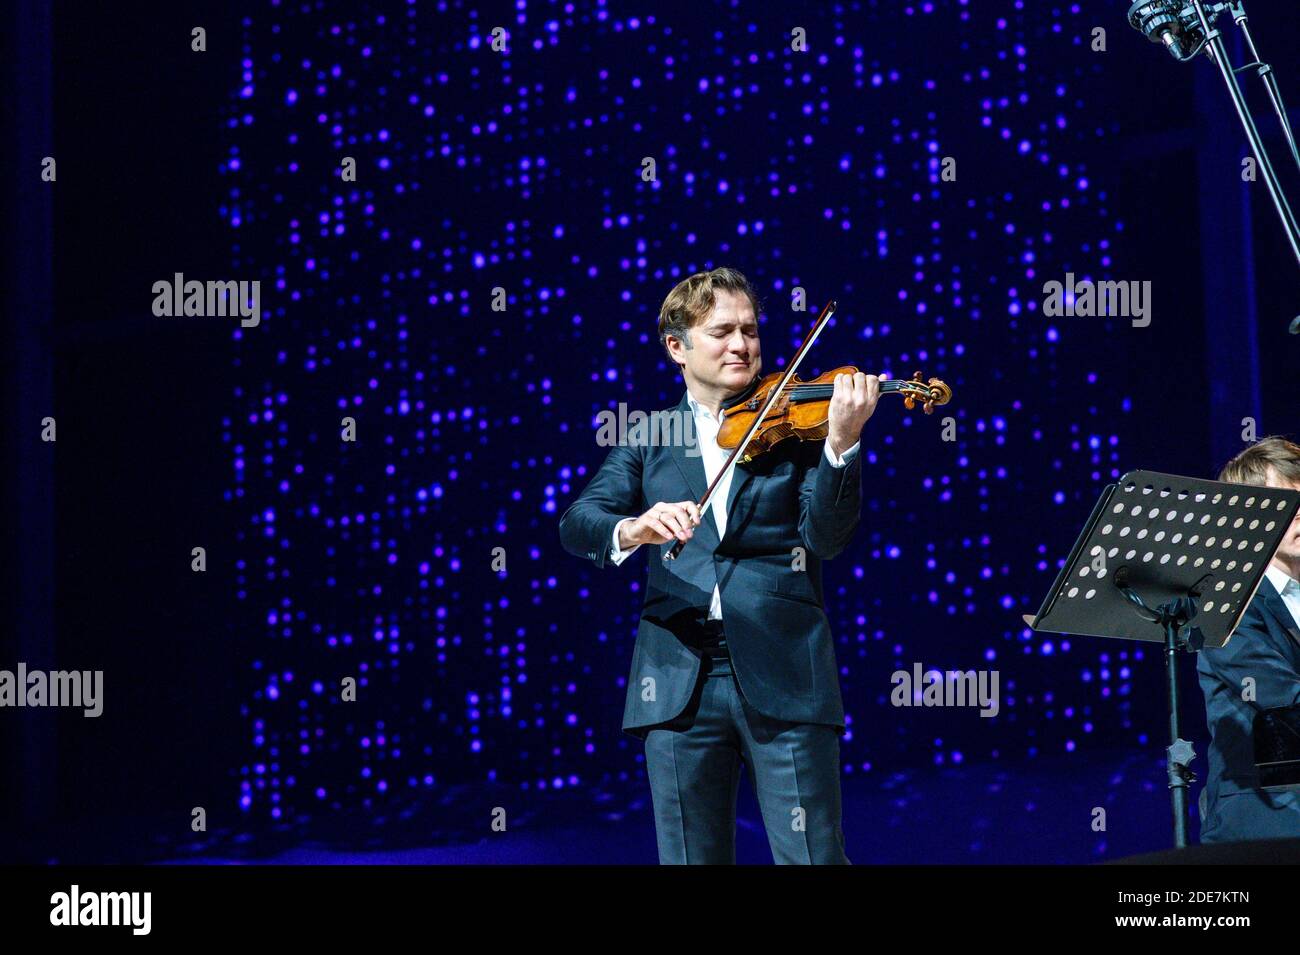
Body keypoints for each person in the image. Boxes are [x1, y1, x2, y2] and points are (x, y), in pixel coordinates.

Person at [559, 267, 880, 863]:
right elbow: (579, 523)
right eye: (722, 331)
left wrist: (841, 445)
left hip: (783, 667)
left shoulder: (797, 428)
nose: (742, 345)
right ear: (676, 347)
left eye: (751, 331)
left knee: (812, 856)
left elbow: (828, 539)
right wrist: (634, 526)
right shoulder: (650, 435)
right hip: (677, 679)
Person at [1197, 436, 1300, 842]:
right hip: (1263, 810)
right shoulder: (1224, 604)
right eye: (1290, 507)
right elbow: (1284, 698)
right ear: (1251, 520)